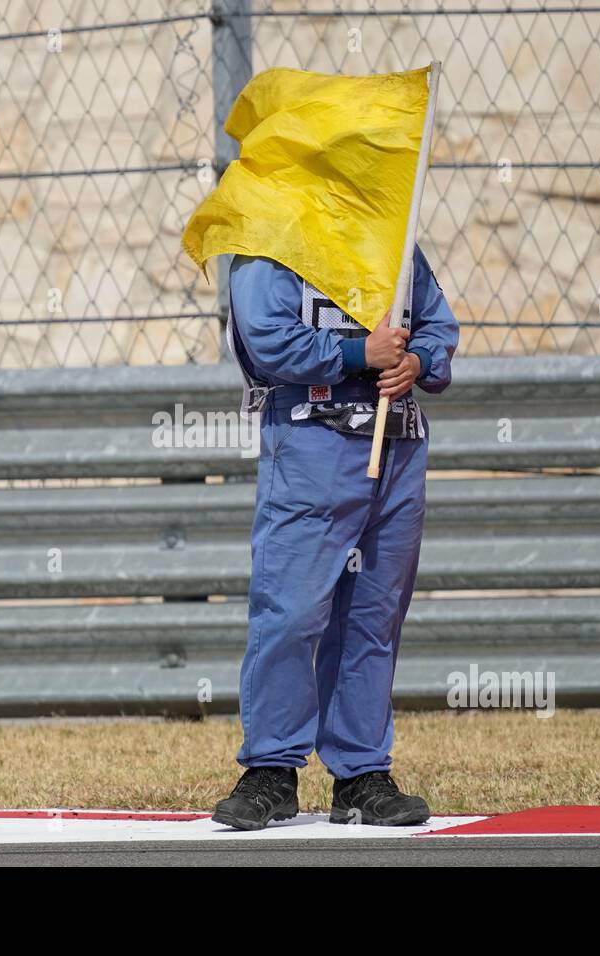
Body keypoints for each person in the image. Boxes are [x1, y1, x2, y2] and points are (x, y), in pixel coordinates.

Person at [211, 244, 460, 830]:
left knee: (371, 618)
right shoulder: (269, 241)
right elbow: (265, 337)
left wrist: (418, 362)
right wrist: (359, 352)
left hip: (396, 446)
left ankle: (362, 774)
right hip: (309, 446)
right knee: (291, 613)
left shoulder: (393, 236)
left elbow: (437, 324)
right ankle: (271, 769)